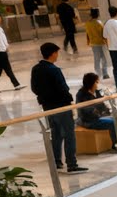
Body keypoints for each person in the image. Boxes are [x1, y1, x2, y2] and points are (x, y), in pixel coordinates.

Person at [31, 43, 87, 173]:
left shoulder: (36, 69)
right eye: (56, 53)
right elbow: (63, 88)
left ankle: (56, 161)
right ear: (52, 53)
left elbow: (34, 88)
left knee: (56, 134)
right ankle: (72, 164)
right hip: (61, 106)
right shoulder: (54, 70)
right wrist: (68, 97)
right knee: (69, 134)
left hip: (48, 107)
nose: (57, 55)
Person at [76, 73, 117, 152]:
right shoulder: (81, 94)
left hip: (99, 117)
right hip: (89, 121)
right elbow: (86, 111)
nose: (97, 84)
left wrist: (107, 111)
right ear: (90, 82)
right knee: (116, 123)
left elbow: (102, 106)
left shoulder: (97, 92)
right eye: (96, 82)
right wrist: (98, 111)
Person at [86, 8, 109, 79]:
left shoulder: (88, 23)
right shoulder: (99, 23)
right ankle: (105, 73)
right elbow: (103, 33)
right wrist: (107, 43)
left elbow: (87, 33)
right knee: (104, 58)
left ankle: (98, 74)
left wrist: (88, 42)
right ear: (98, 14)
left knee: (96, 59)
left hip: (93, 43)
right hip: (101, 43)